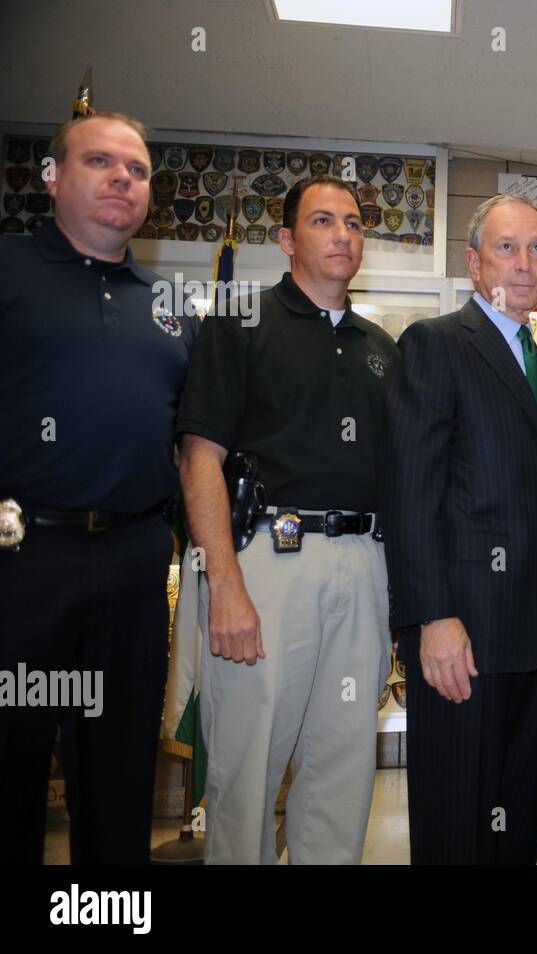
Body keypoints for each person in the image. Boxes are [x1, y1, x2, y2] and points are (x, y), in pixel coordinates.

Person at [176, 174, 395, 864]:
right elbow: (199, 458)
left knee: (343, 771)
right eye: (325, 221)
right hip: (268, 561)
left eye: (354, 224)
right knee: (246, 772)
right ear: (286, 239)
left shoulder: (383, 350)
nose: (343, 235)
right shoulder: (239, 321)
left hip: (364, 563)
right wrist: (227, 585)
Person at [0, 112, 198, 864]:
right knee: (10, 770)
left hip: (133, 570)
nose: (123, 178)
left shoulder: (169, 308)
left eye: (138, 169)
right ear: (52, 177)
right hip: (21, 565)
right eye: (101, 162)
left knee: (118, 786)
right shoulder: (9, 270)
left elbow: (192, 443)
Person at [384, 194, 537, 864]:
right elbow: (409, 493)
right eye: (508, 247)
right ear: (475, 264)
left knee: (518, 819)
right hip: (465, 635)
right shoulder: (436, 345)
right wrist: (433, 617)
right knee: (457, 825)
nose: (526, 262)